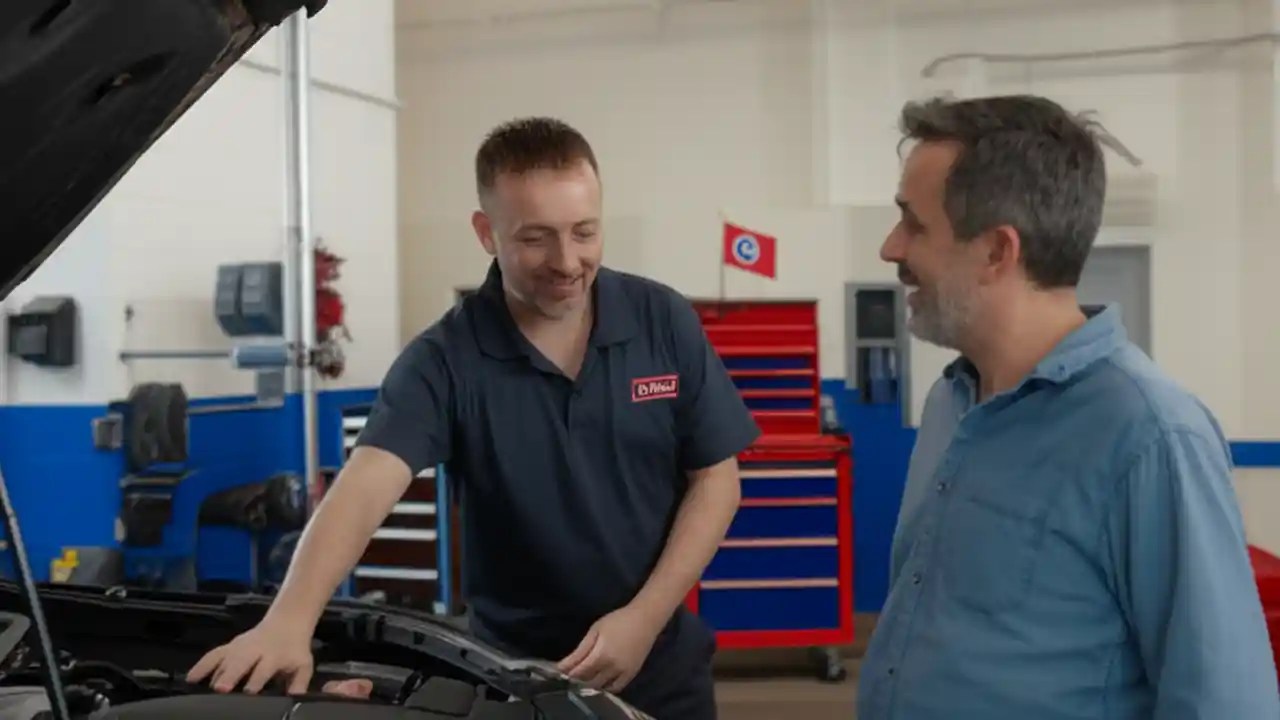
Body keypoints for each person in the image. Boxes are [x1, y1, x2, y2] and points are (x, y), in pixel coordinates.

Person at [185, 116, 758, 720]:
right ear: (486, 232)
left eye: (584, 232)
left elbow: (716, 481)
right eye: (536, 238)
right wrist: (289, 621)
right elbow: (363, 487)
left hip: (661, 666)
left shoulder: (662, 319)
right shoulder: (444, 361)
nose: (568, 261)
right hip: (510, 679)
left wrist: (643, 619)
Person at [858, 93, 1280, 719]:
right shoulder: (952, 402)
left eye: (913, 223)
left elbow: (1224, 703)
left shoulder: (1150, 437)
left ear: (998, 250)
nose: (891, 248)